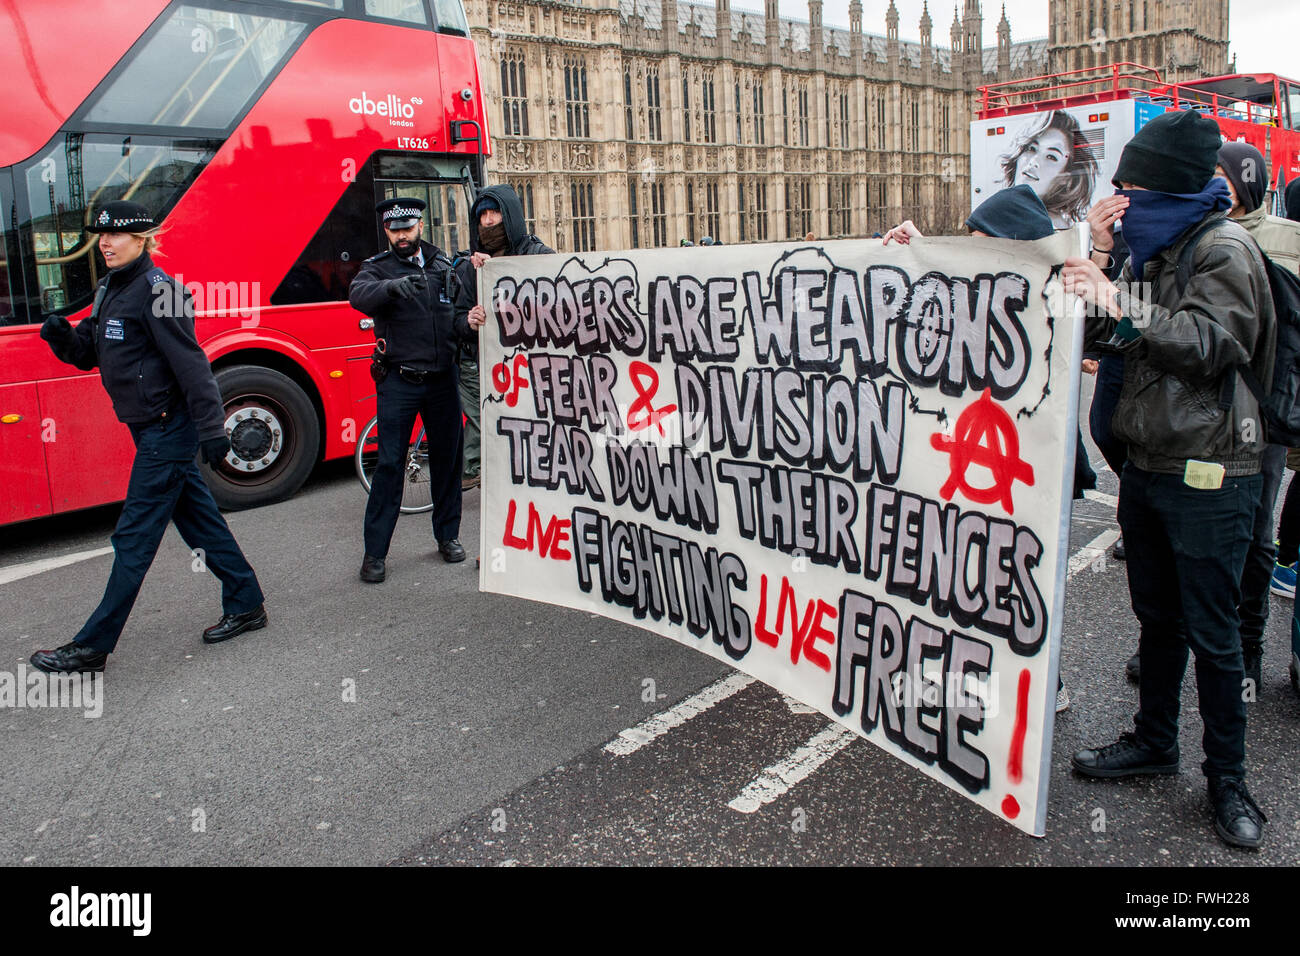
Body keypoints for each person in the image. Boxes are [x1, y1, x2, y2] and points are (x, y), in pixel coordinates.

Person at [1062, 109, 1275, 849]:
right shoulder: (1146, 251)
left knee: (1215, 638)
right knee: (1158, 620)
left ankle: (1229, 780)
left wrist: (1119, 296)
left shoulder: (1224, 249)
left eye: (1134, 186)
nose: (1125, 199)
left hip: (1214, 471)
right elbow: (1100, 338)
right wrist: (1098, 260)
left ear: (1171, 188)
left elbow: (1214, 343)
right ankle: (1155, 740)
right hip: (1148, 466)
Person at [31, 200, 267, 672]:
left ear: (142, 240)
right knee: (201, 523)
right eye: (101, 236)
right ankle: (246, 603)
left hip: (168, 431)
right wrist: (61, 337)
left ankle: (92, 645)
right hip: (148, 429)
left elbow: (193, 365)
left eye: (115, 236)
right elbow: (90, 354)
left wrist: (210, 428)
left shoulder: (162, 292)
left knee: (134, 537)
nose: (105, 243)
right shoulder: (109, 290)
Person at [882, 184, 1085, 715]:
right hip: (970, 461)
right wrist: (920, 248)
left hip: (1029, 467)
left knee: (1020, 578)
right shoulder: (978, 284)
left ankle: (1044, 684)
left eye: (980, 241)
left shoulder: (1053, 293)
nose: (971, 250)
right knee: (968, 575)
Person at [349, 197, 468, 583]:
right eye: (394, 229)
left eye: (407, 228)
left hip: (442, 380)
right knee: (389, 465)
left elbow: (458, 319)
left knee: (448, 463)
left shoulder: (442, 264)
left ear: (420, 226)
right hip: (400, 380)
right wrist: (391, 288)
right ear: (387, 231)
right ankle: (375, 554)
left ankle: (447, 537)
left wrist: (470, 323)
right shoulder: (377, 269)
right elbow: (358, 296)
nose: (401, 235)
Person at [452, 185, 554, 492]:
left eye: (494, 213)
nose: (487, 221)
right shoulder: (472, 267)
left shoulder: (536, 255)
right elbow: (456, 320)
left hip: (528, 365)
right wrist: (469, 321)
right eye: (482, 215)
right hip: (486, 364)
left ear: (509, 216)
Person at [999, 110, 1099, 230]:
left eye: (1051, 157)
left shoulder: (1052, 227)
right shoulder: (1006, 214)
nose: (1034, 162)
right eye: (1031, 148)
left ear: (1066, 178)